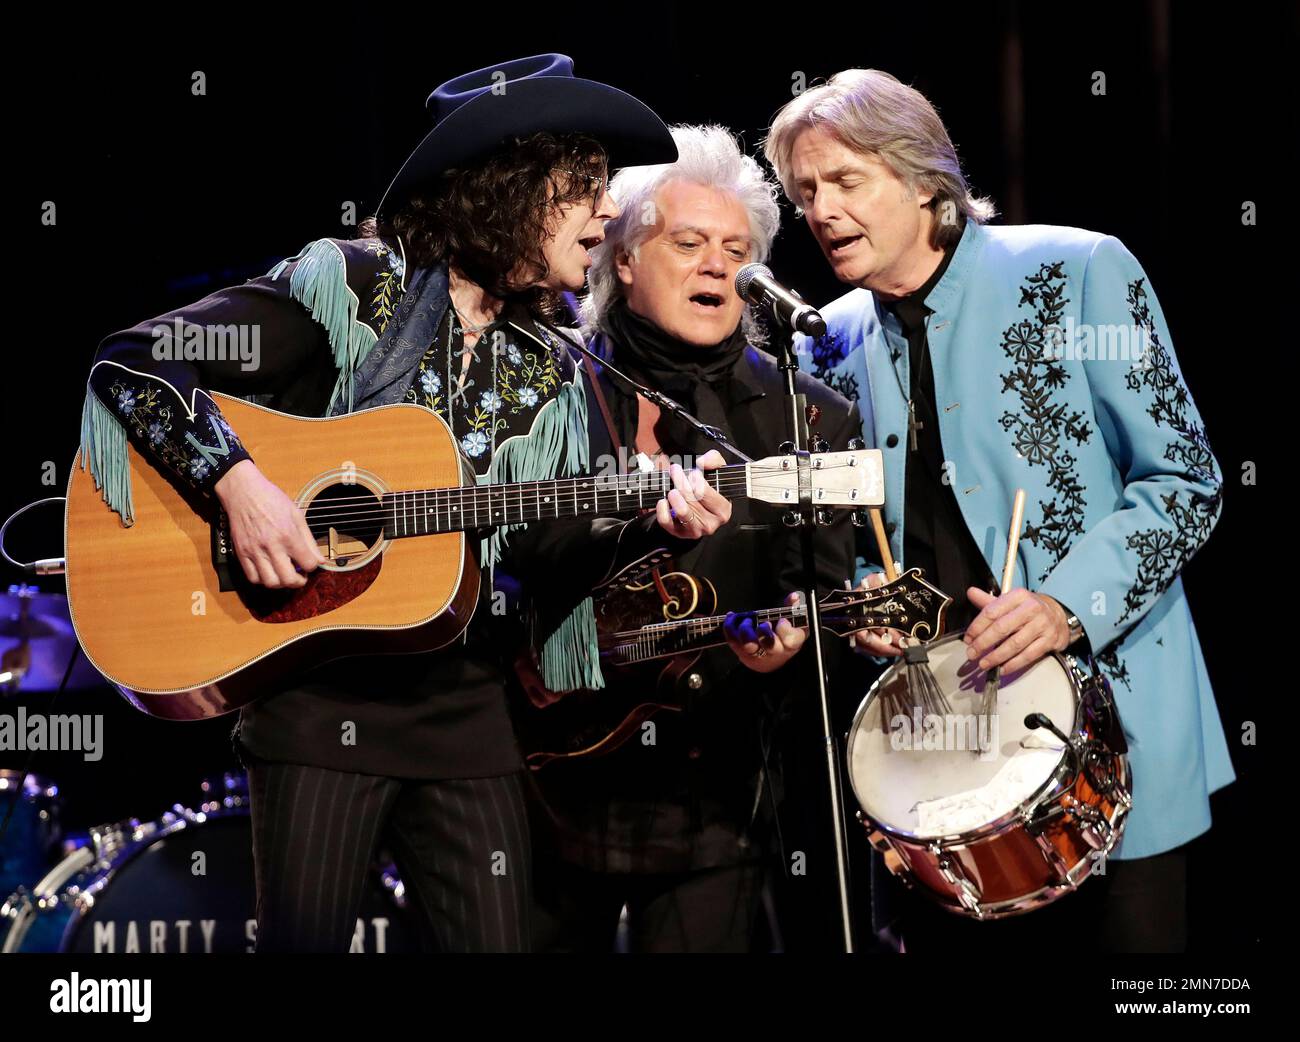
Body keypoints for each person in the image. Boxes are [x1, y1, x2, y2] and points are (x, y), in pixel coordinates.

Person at [77, 54, 734, 953]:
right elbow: (136, 364)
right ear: (510, 189)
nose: (607, 213)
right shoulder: (346, 287)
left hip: (467, 717)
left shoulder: (553, 361)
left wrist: (646, 524)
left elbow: (541, 563)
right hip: (314, 706)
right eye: (581, 187)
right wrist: (240, 487)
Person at [765, 68, 1232, 952]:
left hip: (1107, 738)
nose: (820, 210)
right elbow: (836, 544)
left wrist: (1064, 607)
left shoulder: (1079, 269)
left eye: (845, 181)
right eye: (806, 192)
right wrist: (866, 601)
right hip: (932, 770)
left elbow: (1186, 482)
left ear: (922, 178)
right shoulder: (824, 343)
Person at [524, 125, 859, 952]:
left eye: (736, 249)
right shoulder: (546, 387)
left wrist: (787, 639)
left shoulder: (810, 413)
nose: (718, 263)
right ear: (624, 260)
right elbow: (513, 562)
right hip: (546, 781)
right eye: (689, 242)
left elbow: (814, 585)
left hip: (716, 793)